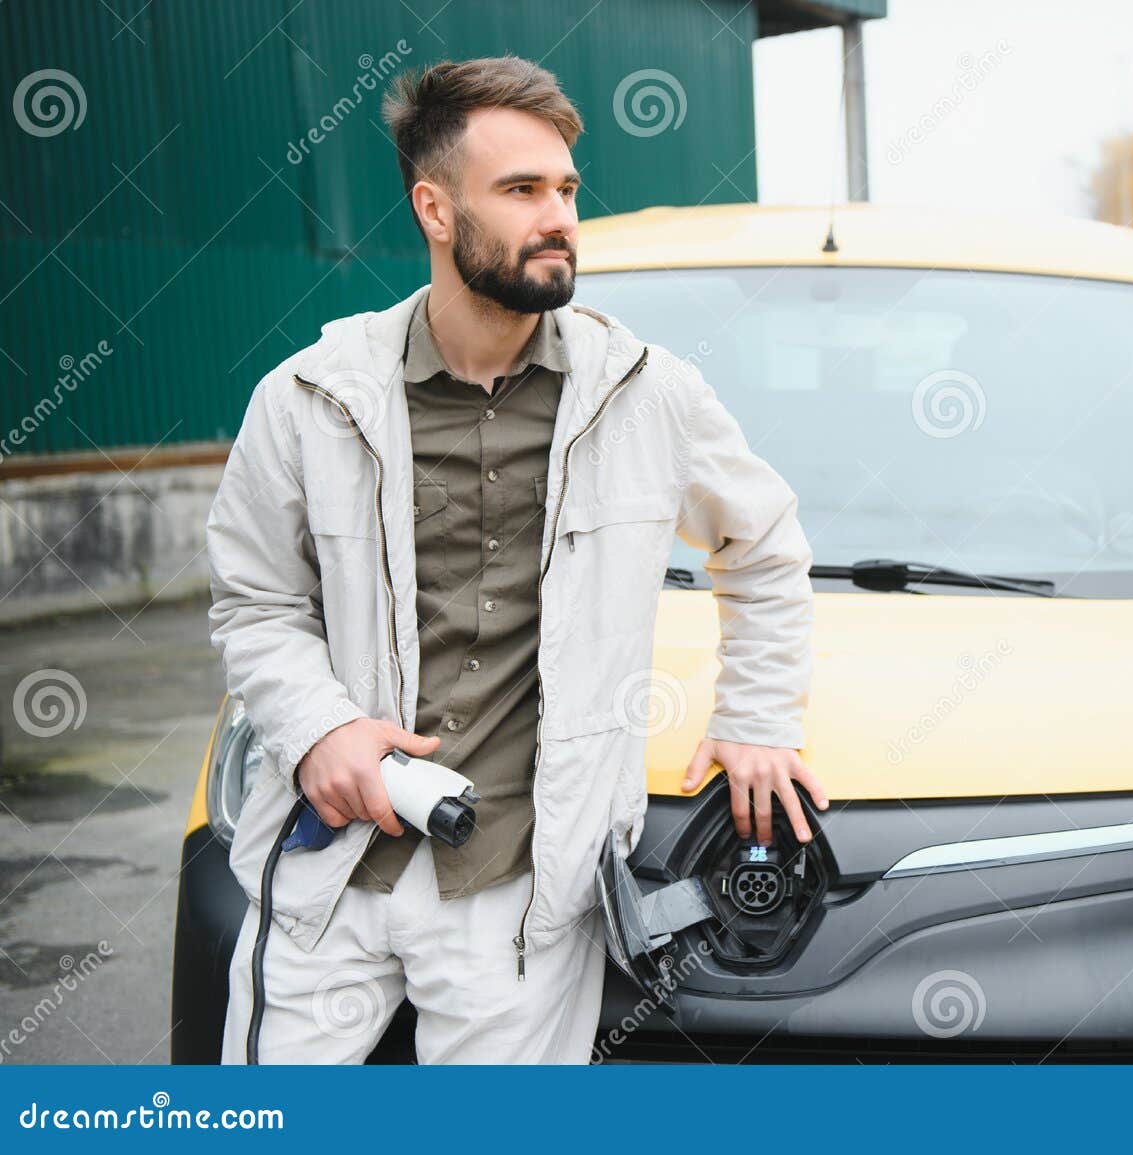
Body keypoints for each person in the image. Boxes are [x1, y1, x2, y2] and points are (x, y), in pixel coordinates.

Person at [209, 55, 822, 1063]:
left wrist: (756, 717)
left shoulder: (645, 392)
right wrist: (318, 732)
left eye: (567, 190)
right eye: (522, 190)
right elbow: (254, 600)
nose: (559, 216)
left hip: (519, 903)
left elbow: (763, 543)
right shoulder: (310, 396)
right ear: (436, 211)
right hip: (329, 877)